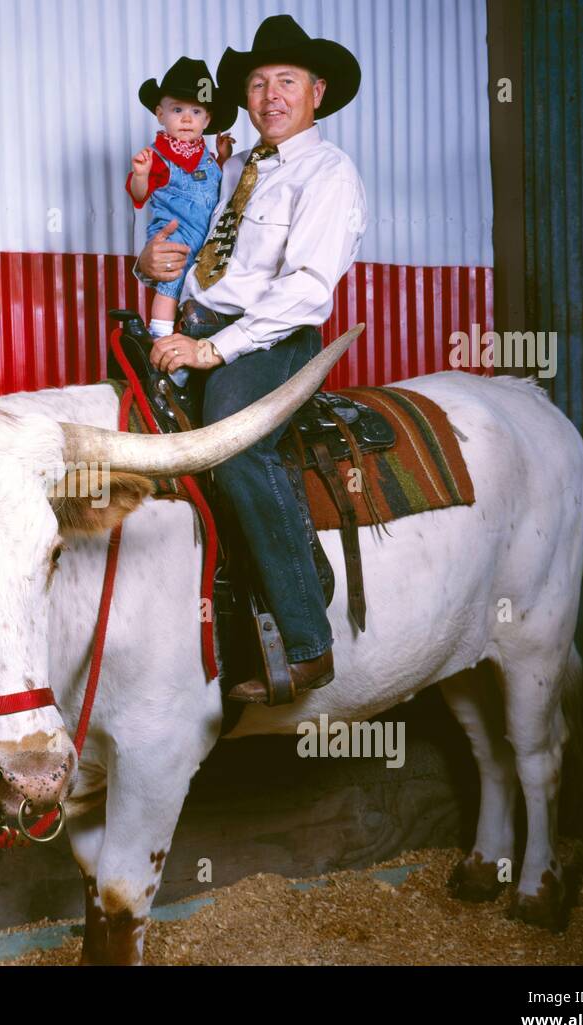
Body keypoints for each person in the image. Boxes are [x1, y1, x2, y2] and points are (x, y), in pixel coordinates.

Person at [135, 14, 368, 703]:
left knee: (233, 445)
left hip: (268, 337)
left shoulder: (330, 175)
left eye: (285, 81)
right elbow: (172, 232)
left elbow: (304, 293)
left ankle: (306, 639)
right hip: (193, 325)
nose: (269, 94)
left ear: (316, 91)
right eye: (258, 82)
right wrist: (146, 264)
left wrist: (212, 349)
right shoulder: (231, 165)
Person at [125, 57, 236, 384]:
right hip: (174, 234)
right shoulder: (157, 155)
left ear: (208, 119)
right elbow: (138, 193)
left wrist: (224, 158)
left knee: (198, 292)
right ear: (160, 114)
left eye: (196, 112)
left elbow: (220, 185)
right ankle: (158, 340)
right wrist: (141, 175)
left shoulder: (208, 156)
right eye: (177, 110)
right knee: (170, 285)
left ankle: (188, 347)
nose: (187, 118)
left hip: (206, 240)